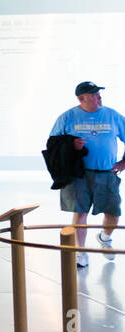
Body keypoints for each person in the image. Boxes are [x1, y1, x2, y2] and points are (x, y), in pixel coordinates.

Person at [49, 81, 125, 268]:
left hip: (106, 173)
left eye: (99, 93)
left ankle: (105, 237)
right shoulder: (67, 117)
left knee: (112, 212)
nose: (99, 96)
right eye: (94, 94)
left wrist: (124, 161)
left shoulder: (112, 115)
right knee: (80, 212)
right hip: (78, 174)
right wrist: (71, 145)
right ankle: (80, 252)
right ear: (81, 98)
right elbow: (52, 145)